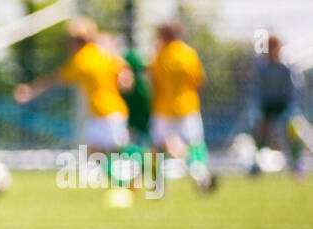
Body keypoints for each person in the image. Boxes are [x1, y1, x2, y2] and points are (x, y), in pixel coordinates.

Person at [15, 18, 133, 155]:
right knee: (95, 155)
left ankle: (144, 160)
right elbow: (124, 75)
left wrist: (31, 91)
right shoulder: (101, 53)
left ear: (76, 41)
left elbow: (55, 79)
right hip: (107, 112)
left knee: (117, 155)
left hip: (105, 114)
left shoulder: (82, 60)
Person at [149, 20, 211, 190]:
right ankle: (199, 173)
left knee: (158, 145)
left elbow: (154, 81)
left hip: (164, 108)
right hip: (187, 106)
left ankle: (157, 182)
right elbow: (200, 81)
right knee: (196, 143)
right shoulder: (189, 54)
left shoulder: (160, 56)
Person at [252, 34, 306, 177]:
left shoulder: (286, 67)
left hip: (284, 104)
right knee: (260, 129)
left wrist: (291, 108)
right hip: (268, 104)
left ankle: (297, 165)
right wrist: (259, 108)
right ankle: (256, 164)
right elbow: (258, 89)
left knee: (292, 130)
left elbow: (294, 88)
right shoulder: (263, 67)